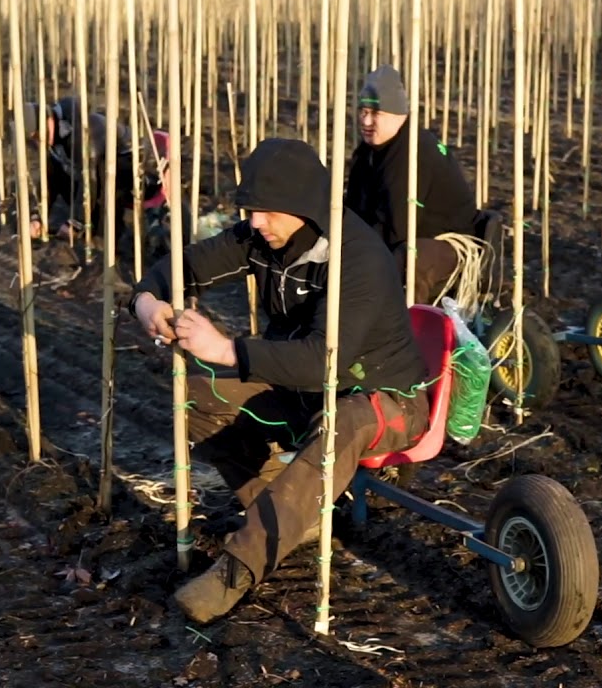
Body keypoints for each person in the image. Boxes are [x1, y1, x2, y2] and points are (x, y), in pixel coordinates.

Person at [129, 137, 431, 624]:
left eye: (265, 211)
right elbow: (189, 264)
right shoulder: (261, 239)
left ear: (303, 206)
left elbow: (323, 361)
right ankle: (288, 515)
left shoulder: (358, 258)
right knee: (198, 394)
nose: (254, 223)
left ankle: (239, 568)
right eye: (250, 211)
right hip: (301, 394)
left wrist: (226, 349)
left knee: (343, 421)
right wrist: (146, 299)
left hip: (384, 400)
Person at [344, 65, 480, 305]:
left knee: (406, 259)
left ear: (399, 115)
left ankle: (411, 323)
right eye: (363, 112)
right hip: (399, 237)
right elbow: (354, 209)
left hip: (445, 245)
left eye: (376, 113)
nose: (366, 121)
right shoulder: (367, 154)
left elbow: (396, 227)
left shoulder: (412, 153)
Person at [9, 96, 167, 248]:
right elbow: (49, 179)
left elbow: (90, 182)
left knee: (105, 172)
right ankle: (91, 225)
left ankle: (107, 238)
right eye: (34, 138)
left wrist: (75, 223)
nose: (38, 141)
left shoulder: (84, 134)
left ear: (48, 120)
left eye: (38, 135)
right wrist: (37, 215)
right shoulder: (55, 139)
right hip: (93, 176)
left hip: (135, 170)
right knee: (60, 174)